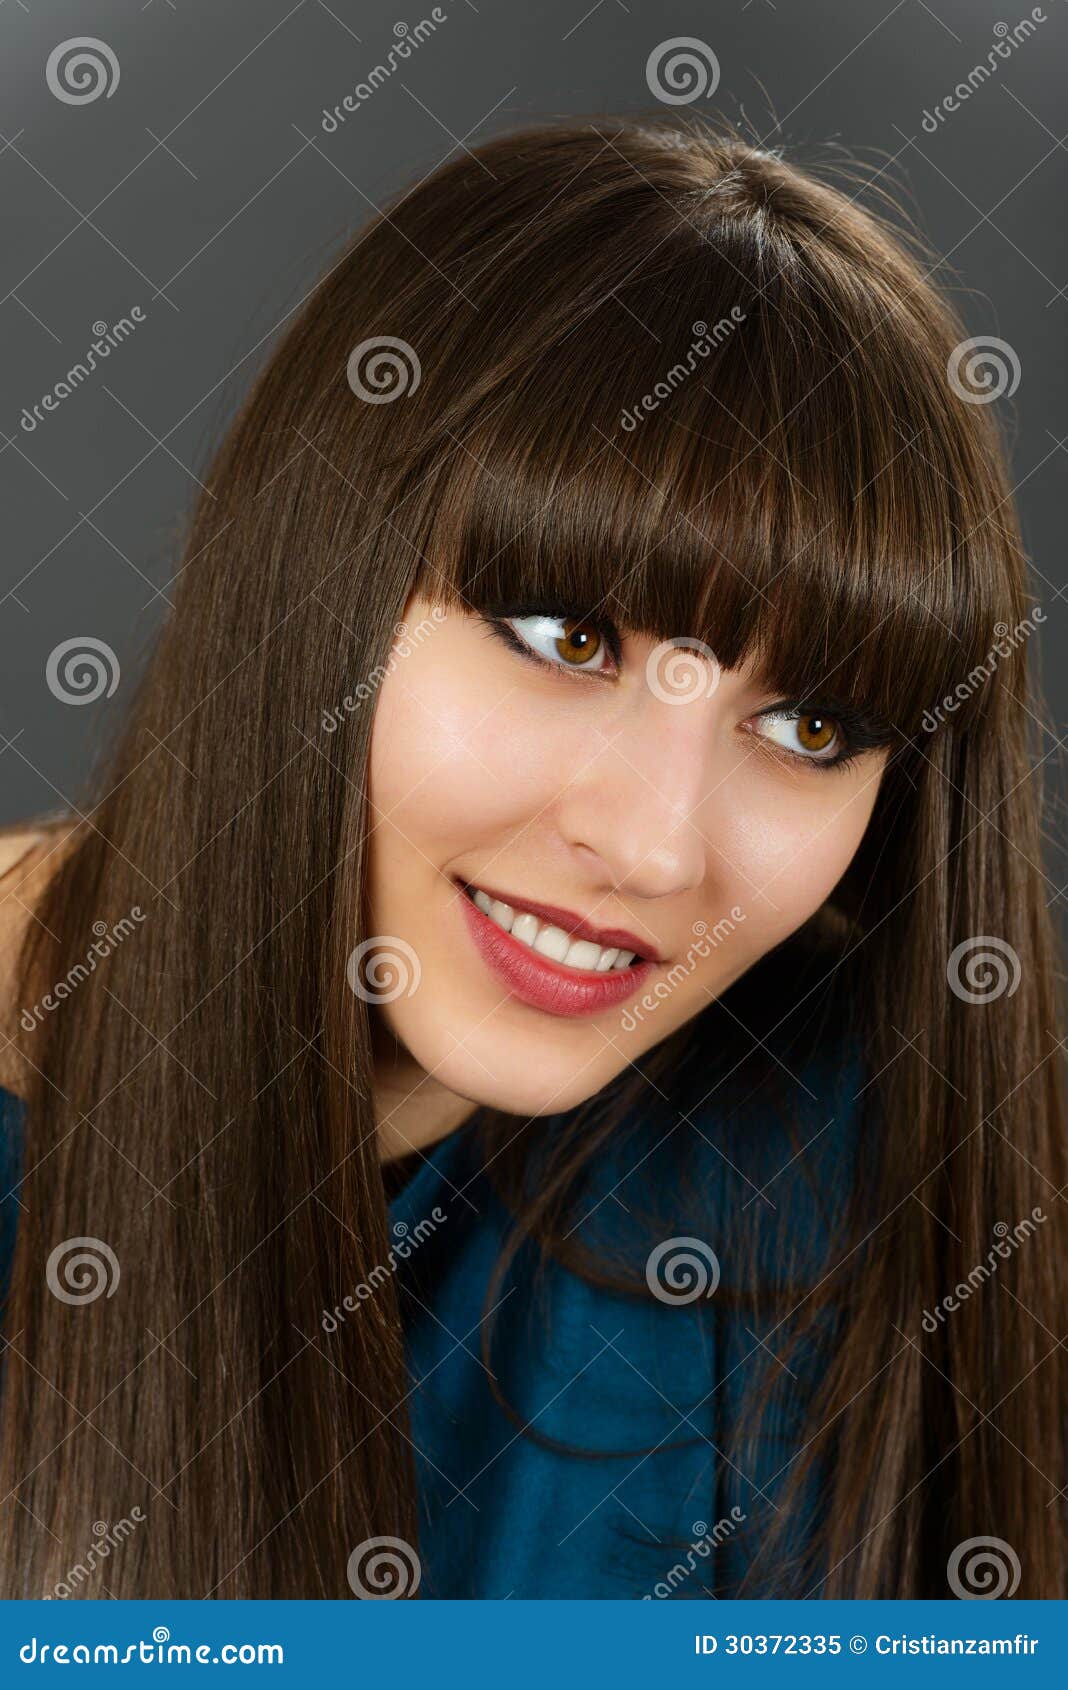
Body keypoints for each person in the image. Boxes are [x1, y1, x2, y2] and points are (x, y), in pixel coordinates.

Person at [0, 117, 1062, 1600]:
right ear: (314, 568)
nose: (649, 843)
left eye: (813, 724)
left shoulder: (853, 1137)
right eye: (567, 636)